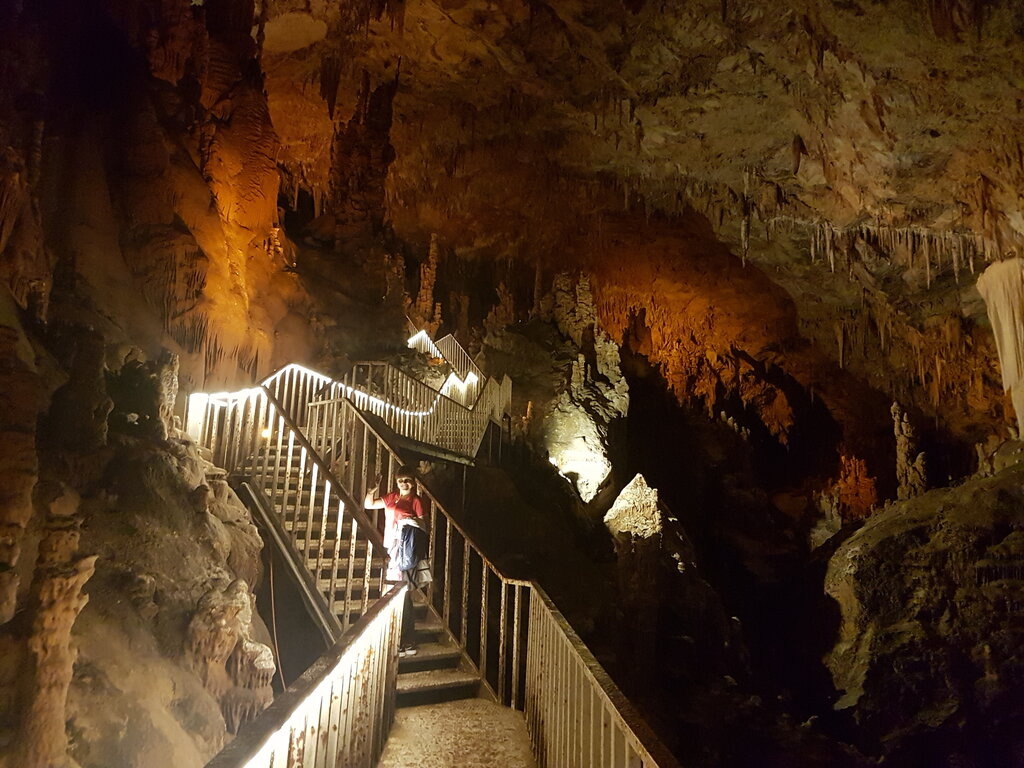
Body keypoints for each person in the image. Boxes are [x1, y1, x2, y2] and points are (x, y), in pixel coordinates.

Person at [364, 466, 427, 656]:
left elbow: (424, 526)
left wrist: (408, 521)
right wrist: (371, 491)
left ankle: (407, 640)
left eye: (407, 480)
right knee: (396, 593)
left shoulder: (416, 501)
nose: (404, 484)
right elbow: (369, 505)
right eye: (401, 481)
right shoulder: (392, 497)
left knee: (403, 594)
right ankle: (401, 639)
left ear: (414, 482)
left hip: (405, 550)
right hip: (391, 548)